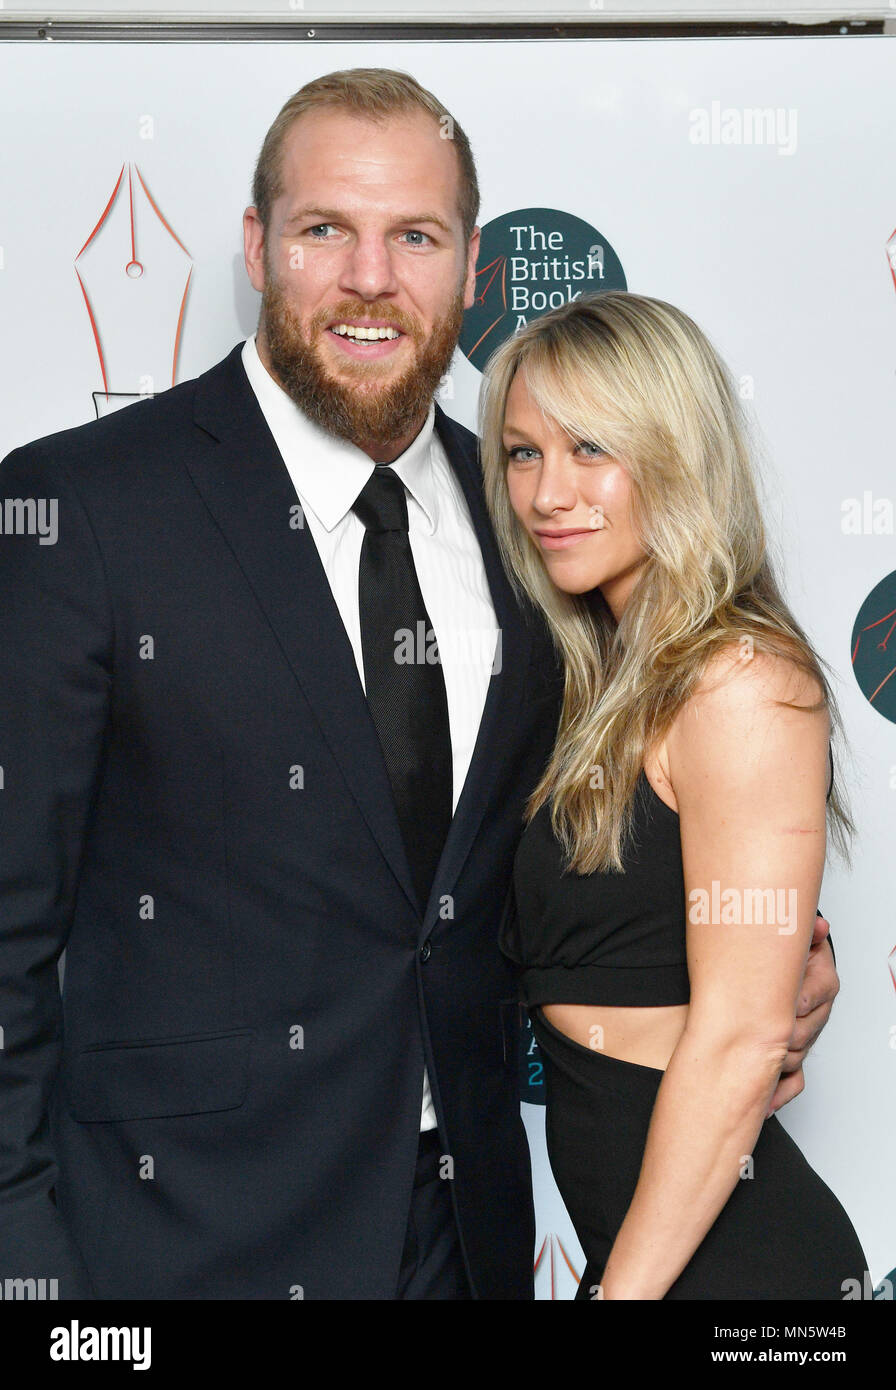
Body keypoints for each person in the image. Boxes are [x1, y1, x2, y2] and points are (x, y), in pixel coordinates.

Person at [0, 71, 839, 1301]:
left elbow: (631, 827)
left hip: (472, 1237)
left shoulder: (533, 530)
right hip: (177, 1242)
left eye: (416, 237)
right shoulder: (87, 507)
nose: (369, 277)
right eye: (324, 228)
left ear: (468, 267)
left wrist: (775, 973)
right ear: (256, 247)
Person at [483, 290, 868, 1299]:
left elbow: (741, 1038)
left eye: (589, 448)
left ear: (675, 454)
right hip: (648, 1264)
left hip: (739, 1277)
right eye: (521, 453)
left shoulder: (740, 679)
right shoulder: (595, 677)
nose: (546, 493)